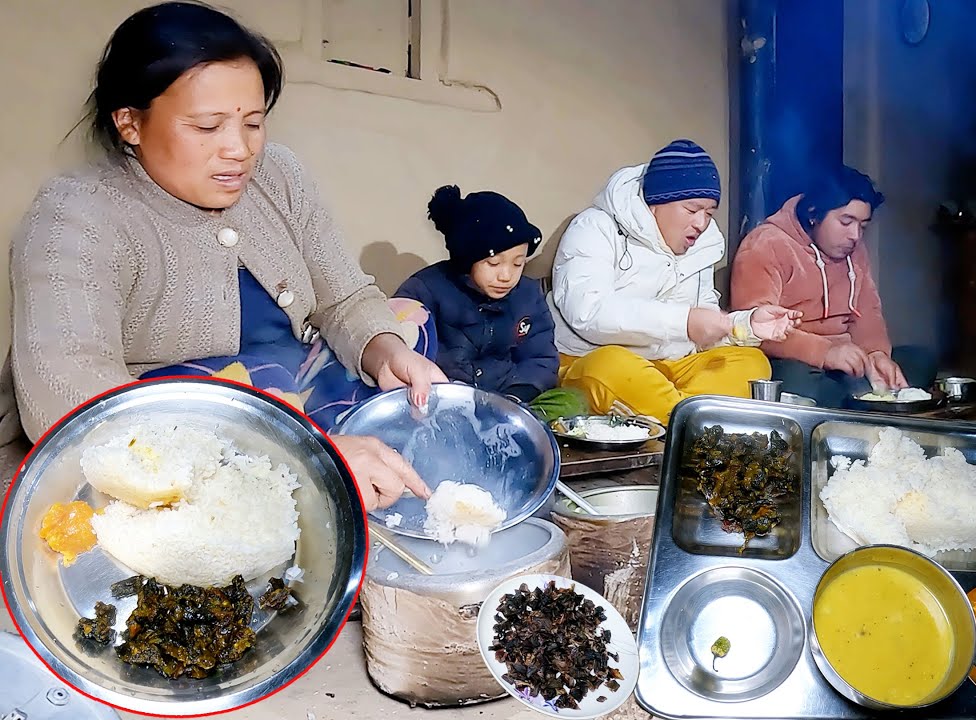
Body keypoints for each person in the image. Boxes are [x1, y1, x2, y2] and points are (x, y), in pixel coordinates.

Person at [0, 1, 445, 508]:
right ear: (129, 122)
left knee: (410, 325)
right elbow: (67, 395)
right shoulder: (77, 213)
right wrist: (302, 451)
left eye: (253, 123)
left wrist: (383, 350)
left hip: (294, 386)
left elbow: (342, 296)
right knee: (263, 396)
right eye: (208, 127)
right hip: (178, 428)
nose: (239, 149)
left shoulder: (279, 175)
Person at [549, 139, 800, 422]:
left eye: (709, 212)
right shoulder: (595, 228)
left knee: (751, 363)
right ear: (656, 202)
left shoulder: (702, 244)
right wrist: (685, 321)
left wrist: (745, 325)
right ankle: (695, 424)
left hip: (673, 368)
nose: (701, 223)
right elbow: (589, 313)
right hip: (595, 358)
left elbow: (705, 327)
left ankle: (675, 417)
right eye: (692, 210)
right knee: (607, 368)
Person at [730, 166, 936, 407]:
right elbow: (755, 328)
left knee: (920, 361)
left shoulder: (854, 250)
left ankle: (857, 398)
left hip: (846, 358)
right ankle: (856, 402)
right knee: (804, 385)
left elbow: (867, 311)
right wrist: (825, 353)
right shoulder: (766, 244)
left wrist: (876, 354)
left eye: (863, 226)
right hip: (792, 359)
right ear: (813, 213)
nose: (855, 236)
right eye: (846, 222)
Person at [395, 185, 557, 402]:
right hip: (444, 398)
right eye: (494, 263)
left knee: (569, 401)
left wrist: (516, 397)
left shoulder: (527, 295)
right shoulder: (424, 290)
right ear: (466, 258)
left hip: (508, 396)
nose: (506, 275)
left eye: (518, 264)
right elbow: (404, 354)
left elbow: (540, 357)